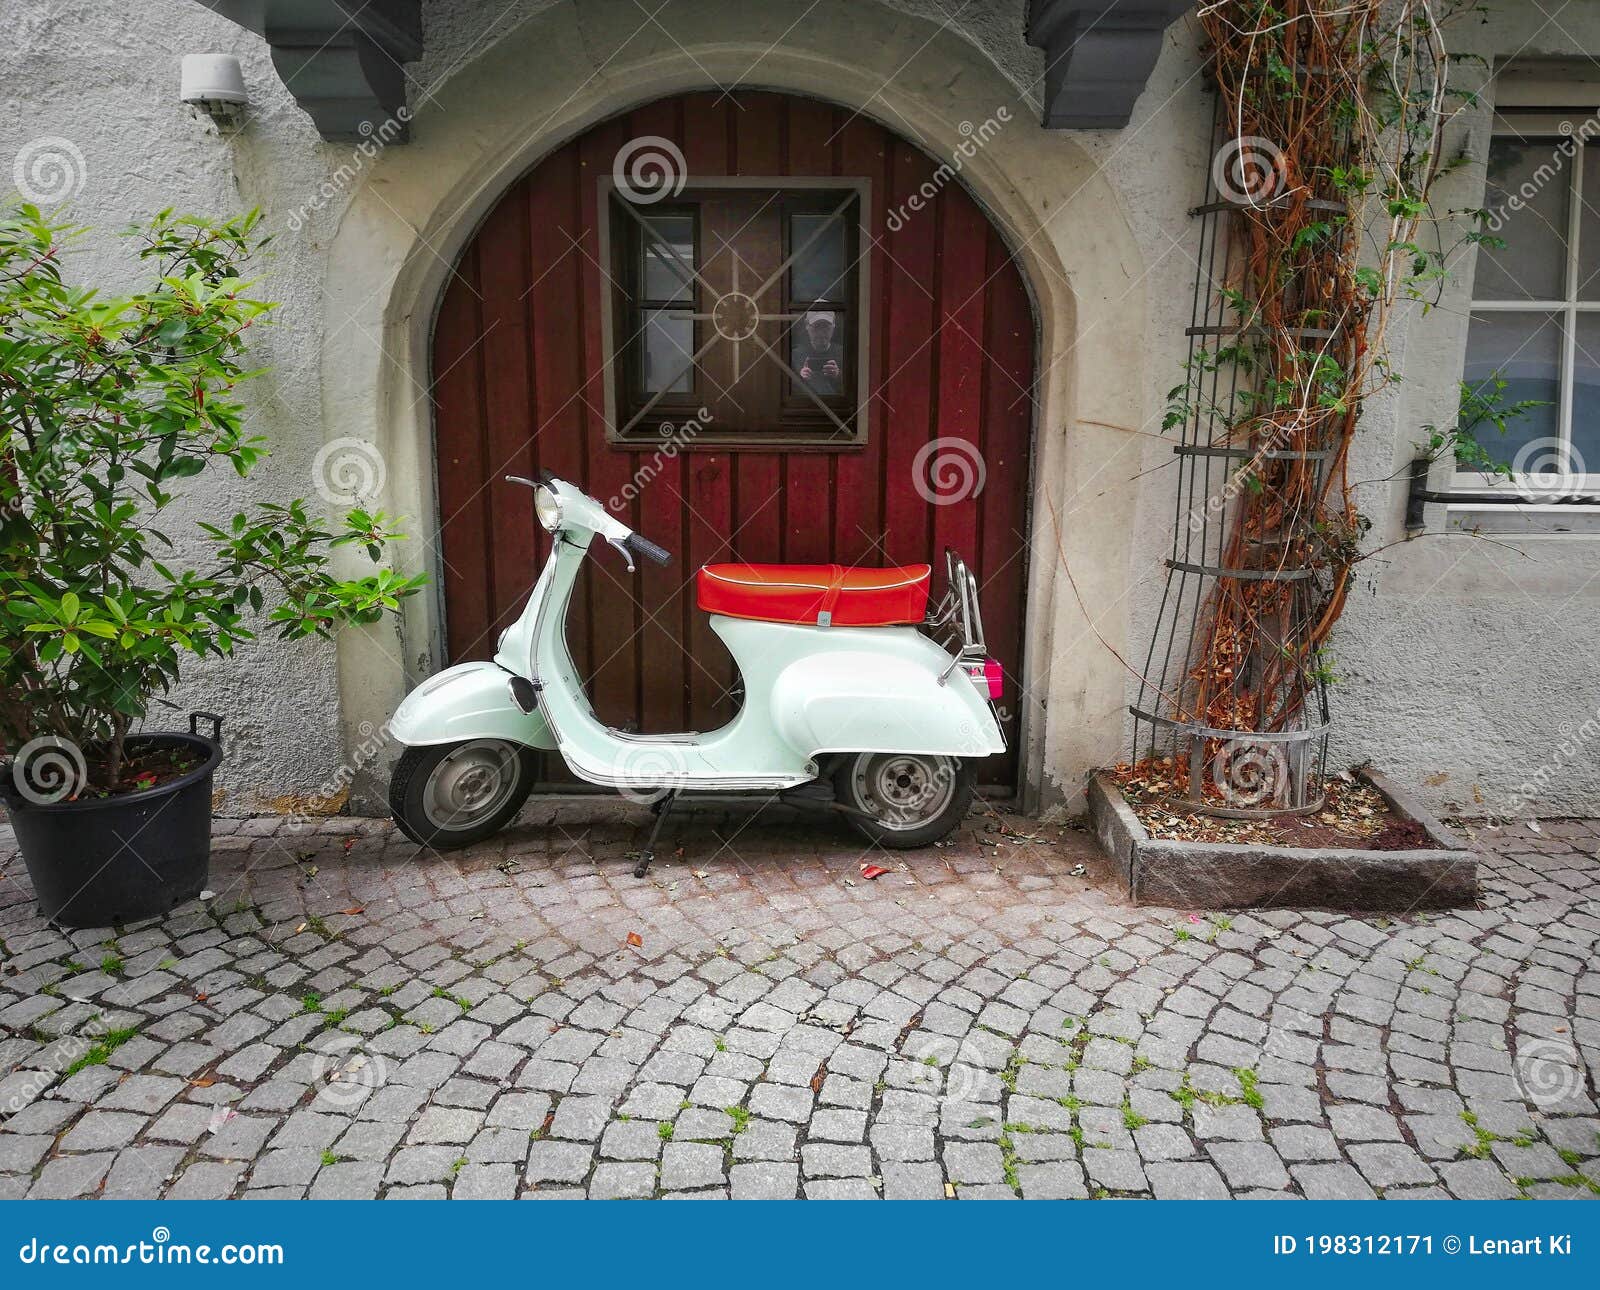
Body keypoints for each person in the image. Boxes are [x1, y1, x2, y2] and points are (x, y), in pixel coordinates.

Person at [796, 310, 844, 397]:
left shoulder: (843, 354)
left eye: (826, 327)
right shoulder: (795, 356)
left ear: (833, 327)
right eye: (816, 327)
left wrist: (838, 375)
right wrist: (801, 378)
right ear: (807, 326)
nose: (821, 333)